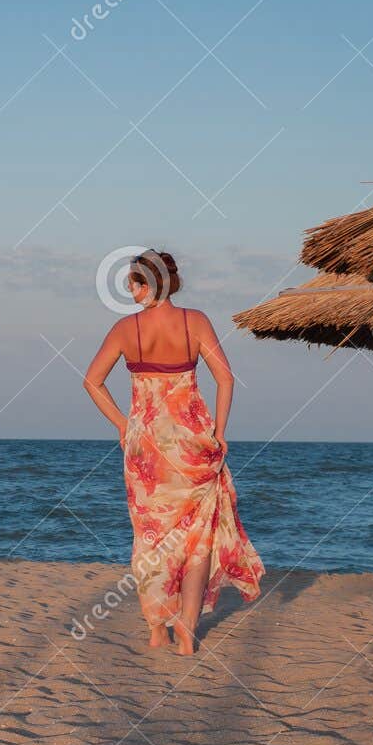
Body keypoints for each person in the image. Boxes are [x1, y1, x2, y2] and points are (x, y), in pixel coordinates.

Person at [82, 249, 264, 654]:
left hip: (145, 447)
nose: (130, 288)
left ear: (148, 284)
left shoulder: (124, 329)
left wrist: (123, 425)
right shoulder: (194, 322)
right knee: (197, 540)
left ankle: (156, 629)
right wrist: (219, 431)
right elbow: (226, 380)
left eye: (133, 282)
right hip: (193, 443)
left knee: (151, 540)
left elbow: (92, 382)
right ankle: (187, 628)